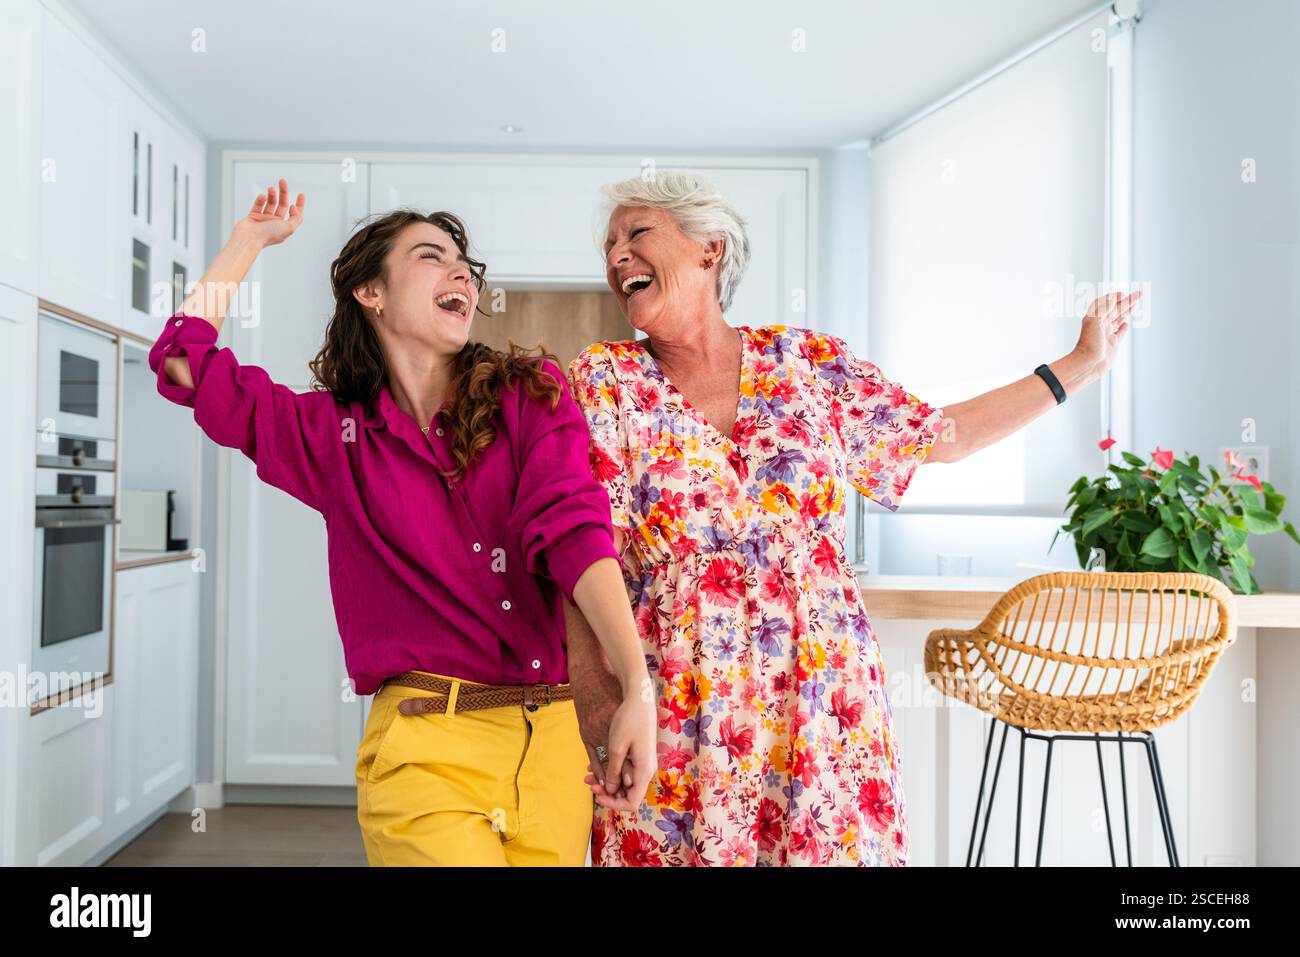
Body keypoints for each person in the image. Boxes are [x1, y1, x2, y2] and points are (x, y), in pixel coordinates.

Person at [564, 171, 1139, 866]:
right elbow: (581, 555)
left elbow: (944, 435)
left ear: (710, 248)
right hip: (678, 699)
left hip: (823, 693)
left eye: (636, 233)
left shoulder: (809, 362)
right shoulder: (604, 379)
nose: (616, 256)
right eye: (608, 246)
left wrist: (1080, 364)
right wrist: (599, 699)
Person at [150, 178, 656, 866]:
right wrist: (248, 241)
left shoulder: (531, 395)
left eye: (466, 265)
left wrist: (634, 686)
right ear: (372, 292)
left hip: (555, 753)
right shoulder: (330, 439)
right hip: (427, 748)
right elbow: (182, 364)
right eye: (430, 256)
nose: (462, 274)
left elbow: (573, 532)